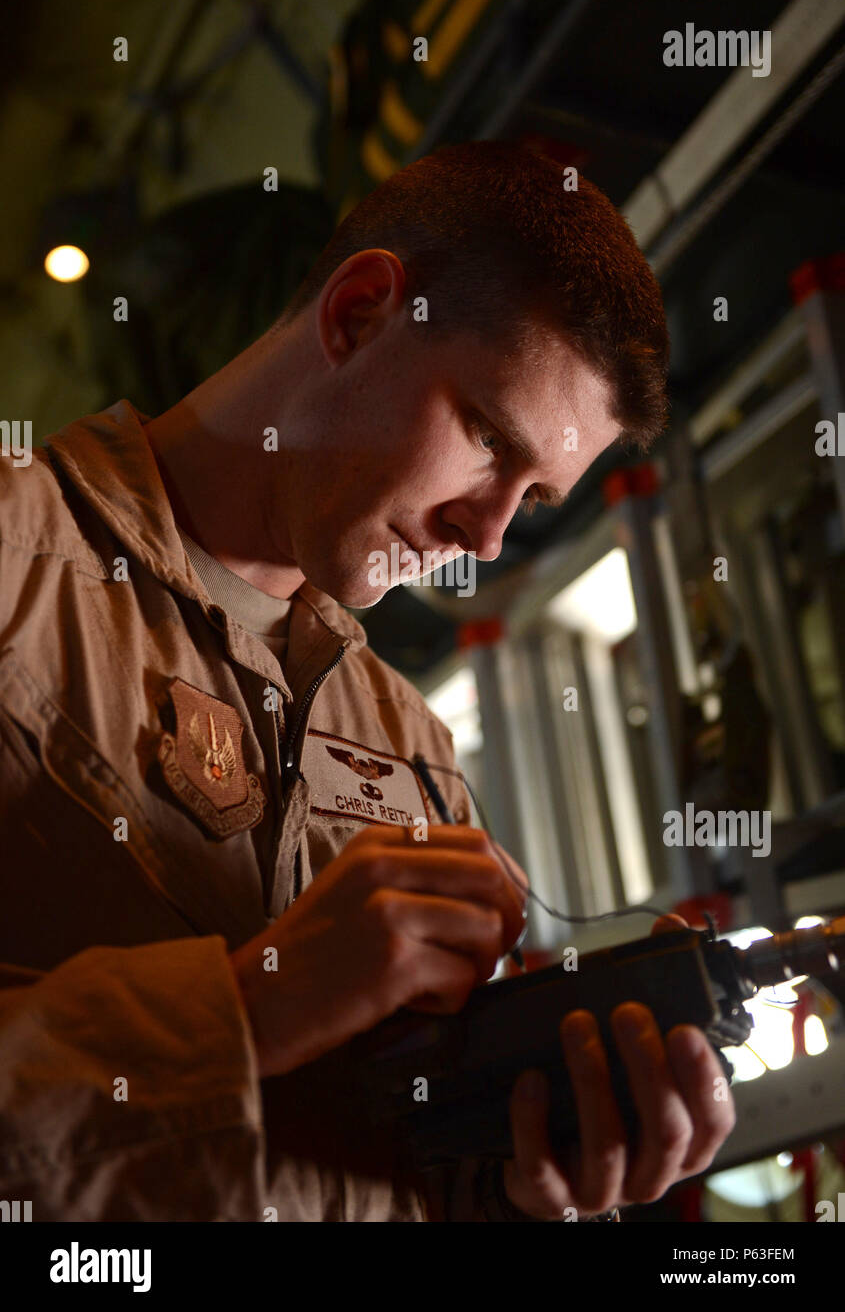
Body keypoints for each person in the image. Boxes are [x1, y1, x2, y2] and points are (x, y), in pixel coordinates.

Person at [0, 140, 734, 1221]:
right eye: (486, 436)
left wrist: (535, 1172)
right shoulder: (20, 564)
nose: (482, 538)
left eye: (529, 499)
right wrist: (248, 1010)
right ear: (354, 314)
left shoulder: (412, 749)